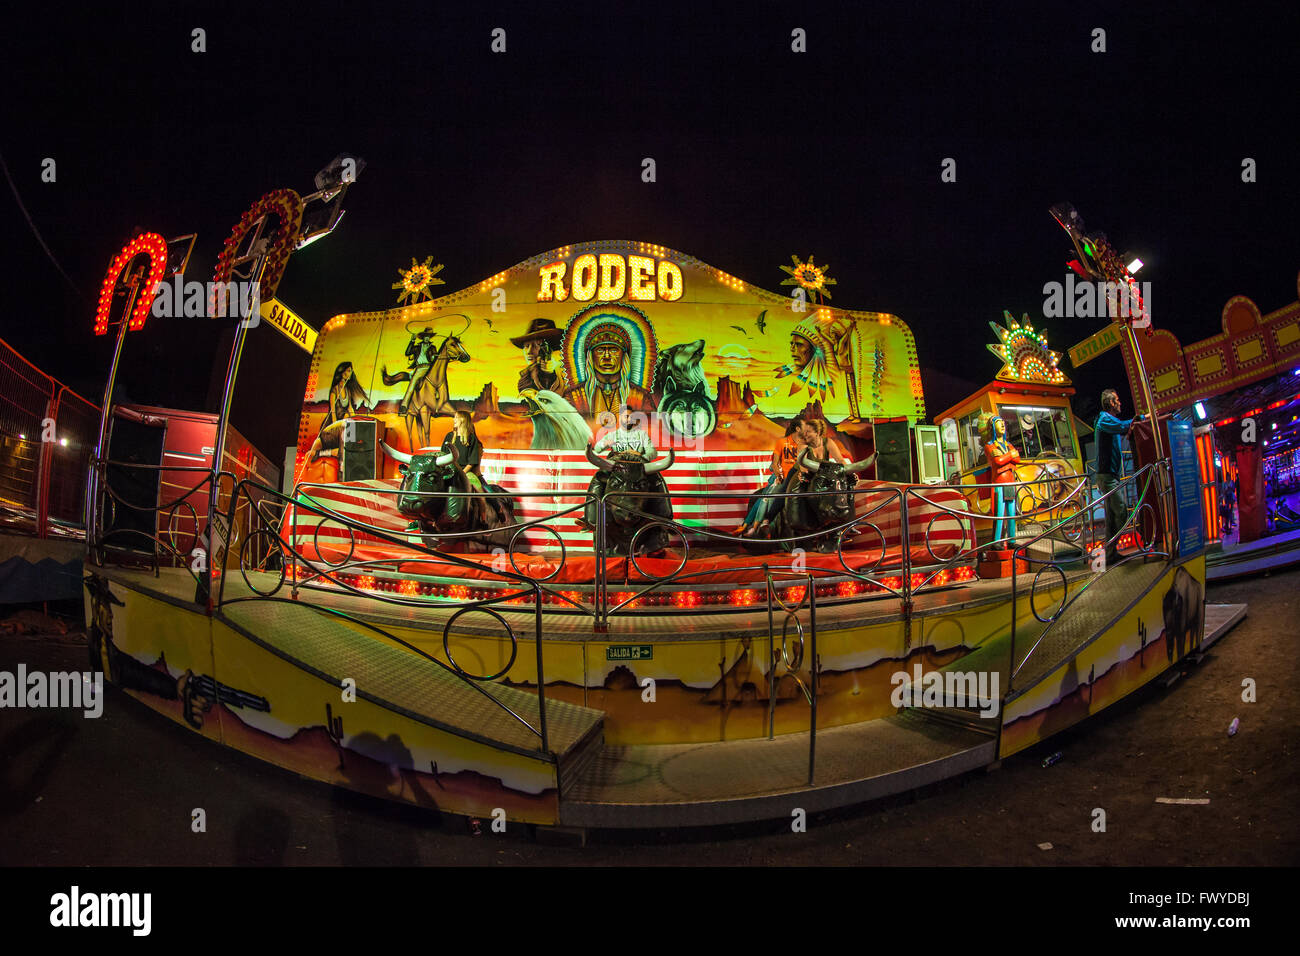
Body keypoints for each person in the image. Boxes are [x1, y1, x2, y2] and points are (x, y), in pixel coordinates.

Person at [736, 416, 815, 538]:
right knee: (768, 497)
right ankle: (758, 525)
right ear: (798, 428)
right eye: (805, 427)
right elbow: (774, 463)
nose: (807, 430)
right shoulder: (782, 442)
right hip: (785, 477)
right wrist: (779, 475)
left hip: (800, 475)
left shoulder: (805, 443)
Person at [561, 322, 657, 419]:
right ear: (590, 357)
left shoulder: (640, 397)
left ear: (624, 357)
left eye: (614, 350)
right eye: (600, 350)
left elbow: (652, 428)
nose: (607, 356)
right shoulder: (574, 397)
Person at [1094, 388, 1145, 565]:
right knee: (1121, 511)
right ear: (1110, 403)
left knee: (1111, 516)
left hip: (1110, 475)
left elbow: (1123, 429)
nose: (1120, 403)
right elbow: (1123, 426)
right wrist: (1138, 420)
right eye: (1117, 400)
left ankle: (1110, 553)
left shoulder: (1109, 420)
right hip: (1107, 476)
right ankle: (1111, 550)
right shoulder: (1105, 420)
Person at [308, 361, 369, 463]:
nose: (350, 373)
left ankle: (324, 454)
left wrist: (358, 421)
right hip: (332, 425)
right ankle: (321, 453)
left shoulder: (347, 391)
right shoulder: (335, 390)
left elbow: (350, 409)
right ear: (343, 373)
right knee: (342, 449)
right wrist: (335, 424)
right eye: (349, 371)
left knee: (348, 448)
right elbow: (333, 411)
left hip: (341, 426)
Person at [982, 414, 1021, 544]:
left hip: (1009, 482)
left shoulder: (1007, 444)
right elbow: (998, 461)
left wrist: (1006, 458)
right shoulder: (989, 445)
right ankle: (996, 542)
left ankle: (1012, 541)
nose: (1003, 425)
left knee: (1011, 514)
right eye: (999, 423)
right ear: (993, 427)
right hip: (998, 483)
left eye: (1003, 422)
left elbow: (1018, 459)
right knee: (999, 514)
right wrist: (1010, 456)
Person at [511, 318, 563, 394]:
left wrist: (549, 373)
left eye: (538, 345)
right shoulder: (527, 374)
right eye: (526, 346)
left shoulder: (560, 372)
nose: (529, 351)